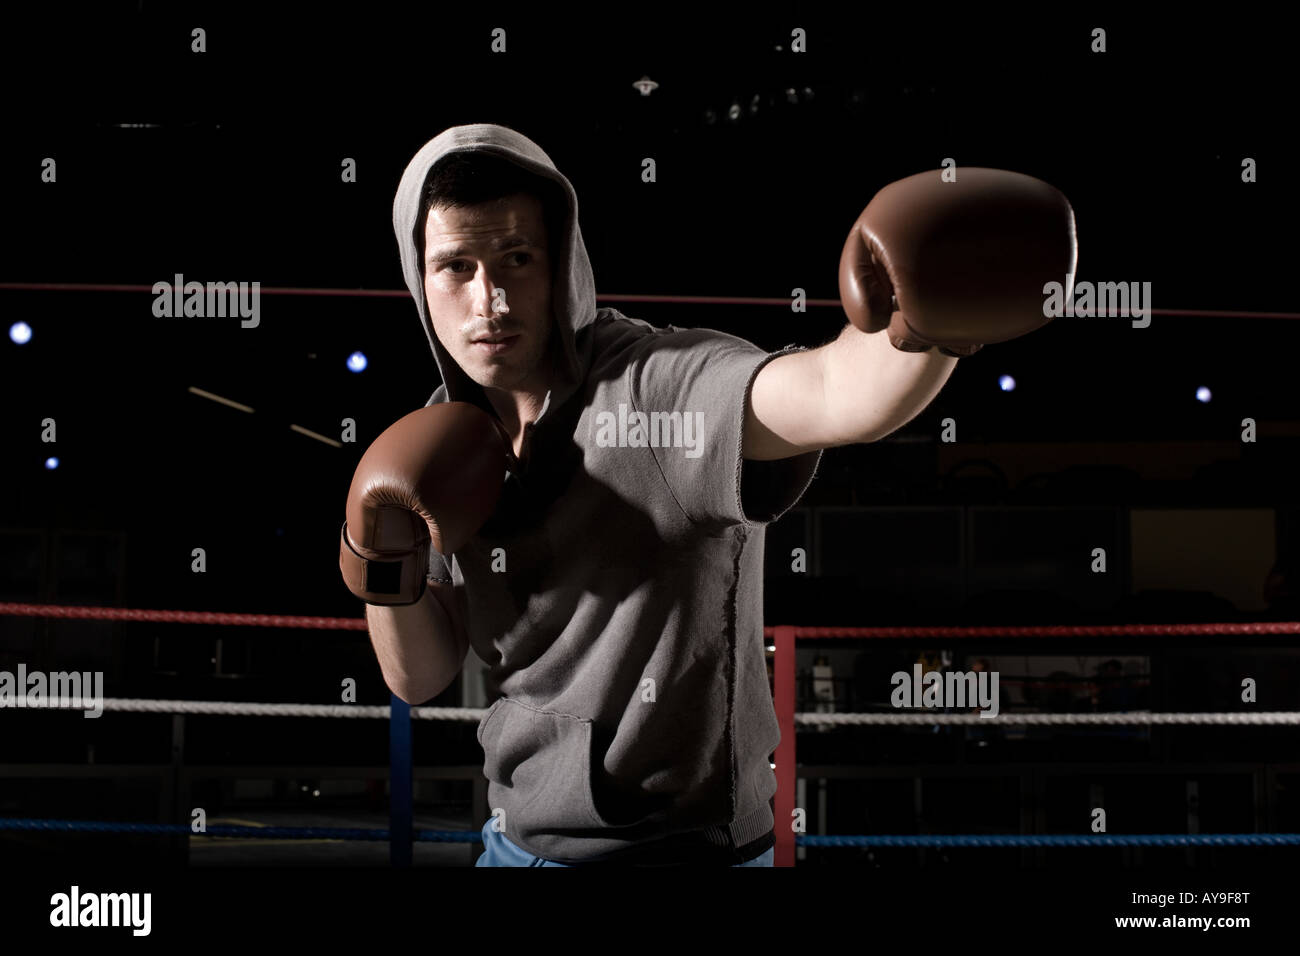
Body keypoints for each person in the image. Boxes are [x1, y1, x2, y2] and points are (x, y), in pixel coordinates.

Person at [338, 123, 1076, 865]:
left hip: (687, 854)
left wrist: (919, 327)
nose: (489, 299)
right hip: (514, 844)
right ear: (419, 278)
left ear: (562, 262)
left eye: (517, 258)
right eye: (455, 267)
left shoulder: (657, 388)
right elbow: (418, 676)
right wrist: (379, 554)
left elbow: (829, 392)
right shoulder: (443, 443)